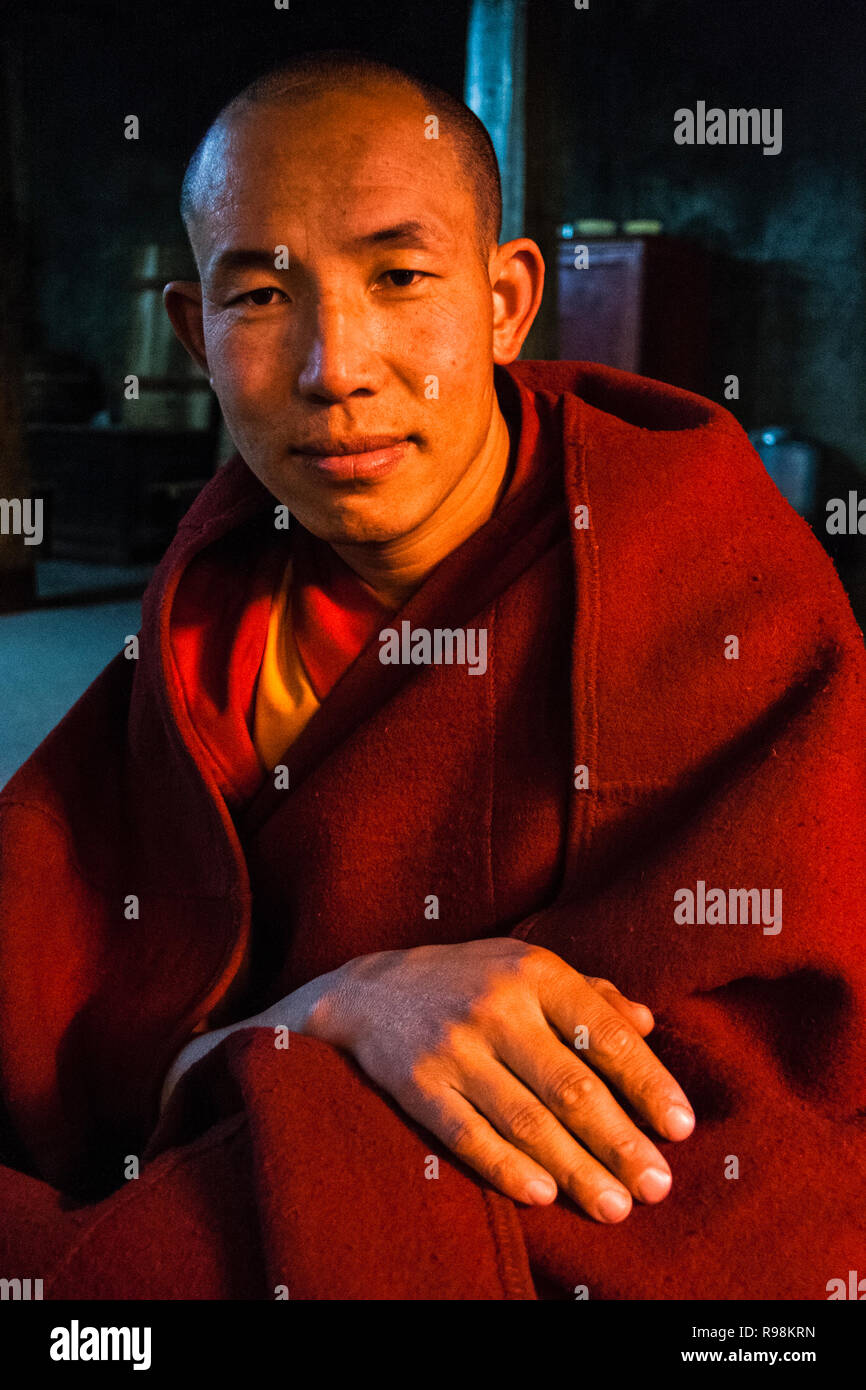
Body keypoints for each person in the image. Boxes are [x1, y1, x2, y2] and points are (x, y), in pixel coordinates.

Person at [0, 49, 864, 1301]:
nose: (333, 367)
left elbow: (757, 1072)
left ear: (506, 300)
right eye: (258, 299)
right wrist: (331, 1012)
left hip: (491, 1183)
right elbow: (75, 962)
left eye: (399, 277)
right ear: (194, 331)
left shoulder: (696, 557)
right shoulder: (213, 600)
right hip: (266, 1109)